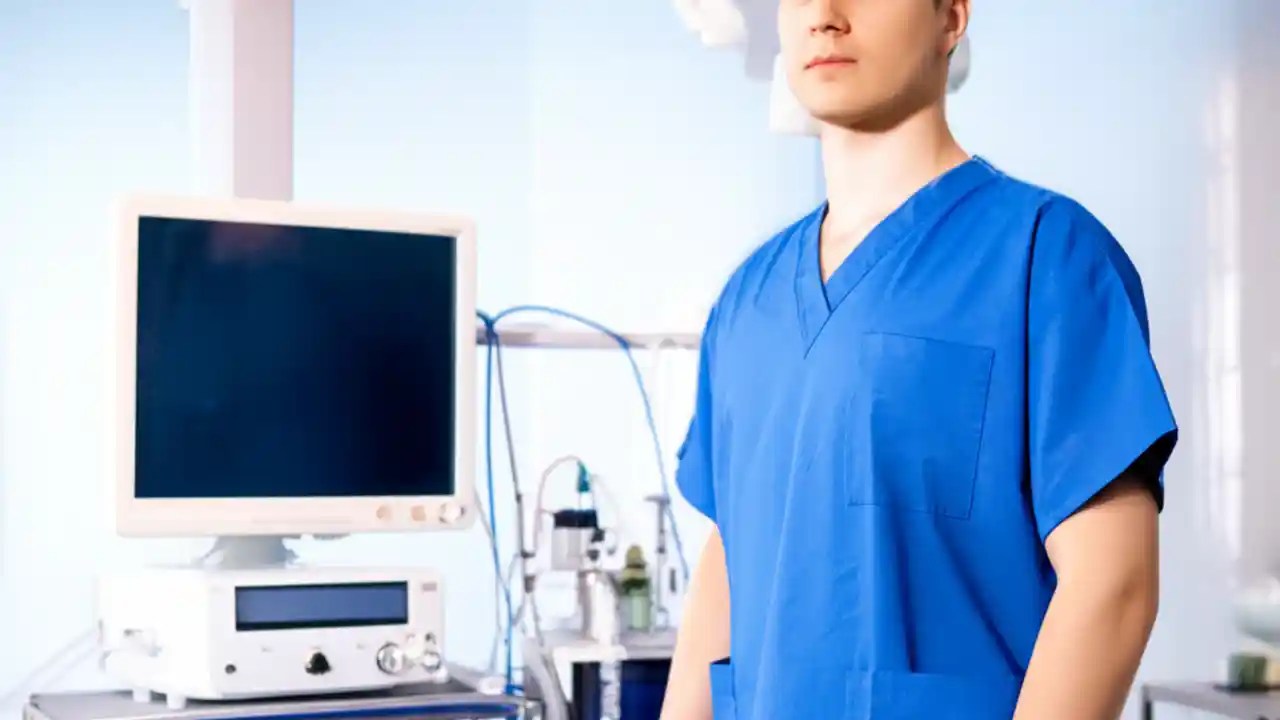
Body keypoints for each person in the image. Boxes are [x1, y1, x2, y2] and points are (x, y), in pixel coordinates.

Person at [659, 1, 1178, 718]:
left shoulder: (1044, 256)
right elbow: (729, 560)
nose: (824, 16)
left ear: (951, 17)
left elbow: (1112, 586)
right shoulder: (747, 300)